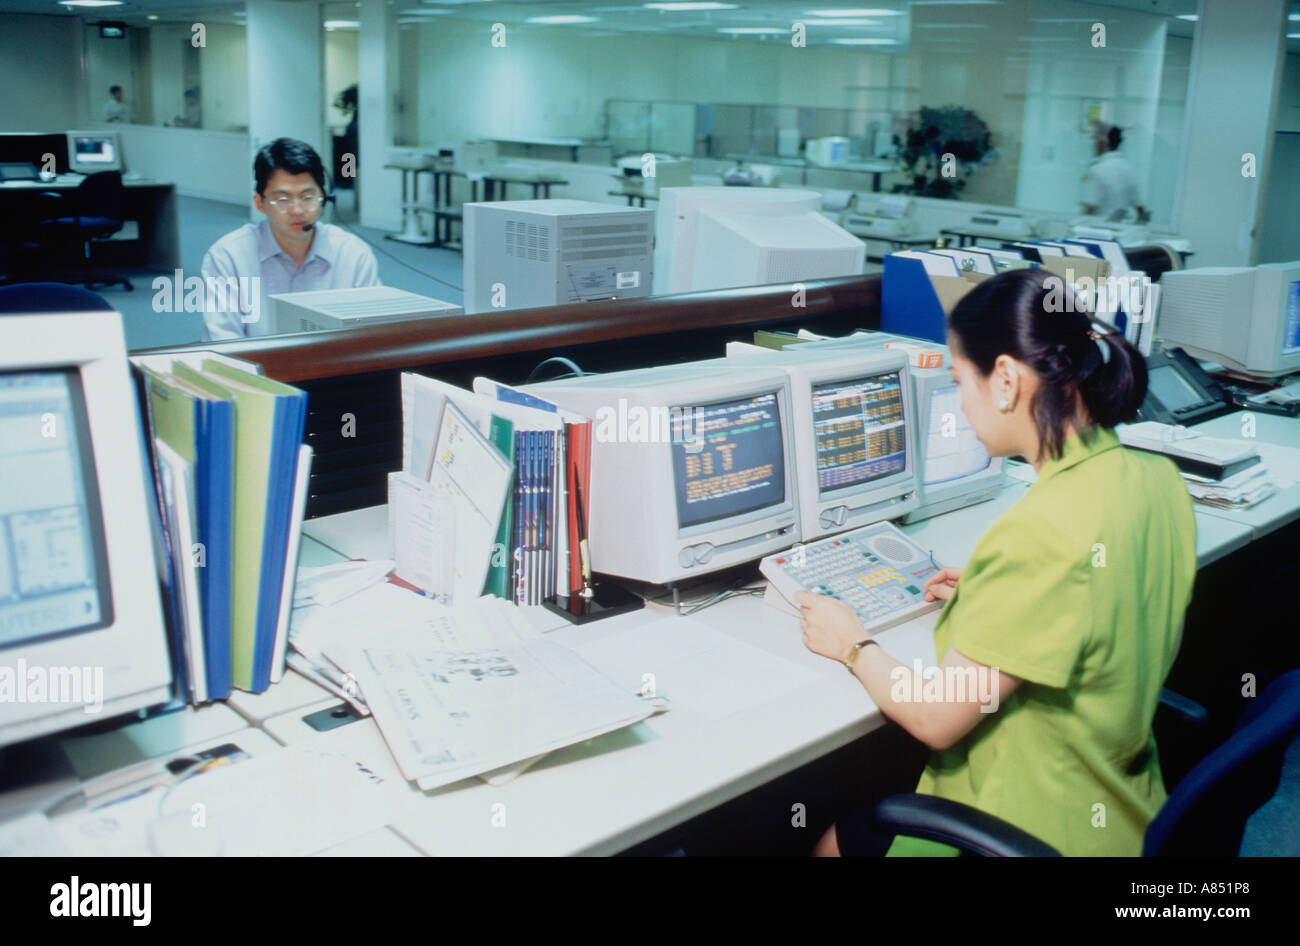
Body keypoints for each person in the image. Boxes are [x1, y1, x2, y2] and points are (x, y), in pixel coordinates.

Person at [797, 267, 1196, 857]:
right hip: (1124, 808)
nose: (960, 402)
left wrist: (852, 642)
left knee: (832, 842)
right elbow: (1101, 602)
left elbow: (936, 719)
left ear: (1006, 379)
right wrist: (996, 591)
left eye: (961, 380)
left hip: (1026, 826)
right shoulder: (1155, 478)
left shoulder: (1041, 532)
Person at [200, 137, 380, 340]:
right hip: (253, 370)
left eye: (307, 197)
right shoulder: (228, 257)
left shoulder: (353, 255)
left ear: (324, 198)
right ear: (260, 203)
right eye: (283, 199)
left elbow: (370, 338)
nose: (297, 210)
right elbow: (223, 343)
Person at [1081, 123, 1147, 222]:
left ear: (1103, 142)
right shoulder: (1128, 170)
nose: (1094, 144)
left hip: (1097, 231)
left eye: (1096, 139)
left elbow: (1089, 209)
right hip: (1121, 230)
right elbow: (1140, 209)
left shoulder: (1097, 171)